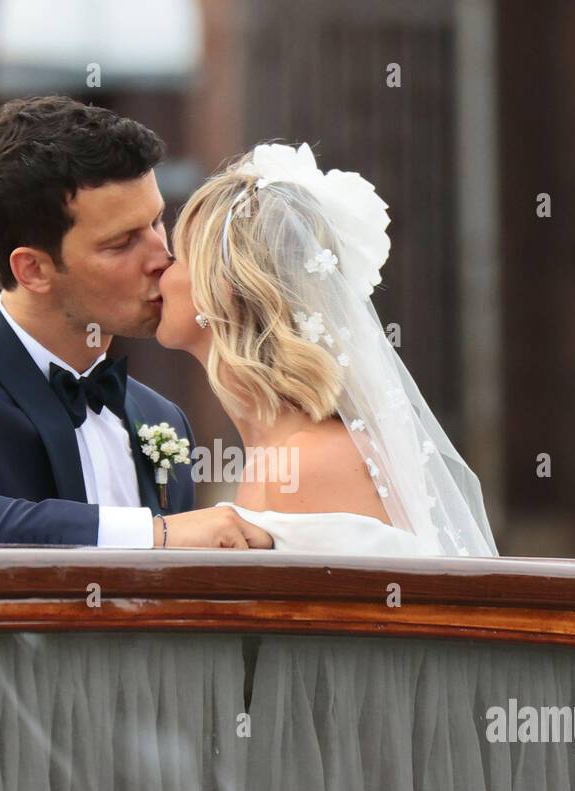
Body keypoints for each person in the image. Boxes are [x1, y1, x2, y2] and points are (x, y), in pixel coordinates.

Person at [0, 95, 272, 550]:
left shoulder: (160, 417)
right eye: (122, 243)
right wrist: (152, 534)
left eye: (156, 222)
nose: (161, 258)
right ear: (33, 269)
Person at [155, 142, 498, 556]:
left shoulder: (311, 462)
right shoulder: (282, 450)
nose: (160, 269)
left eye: (176, 256)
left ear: (221, 288)